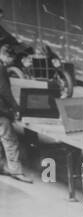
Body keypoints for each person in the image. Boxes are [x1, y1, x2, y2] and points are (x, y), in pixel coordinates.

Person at [0, 44, 30, 182]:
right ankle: (16, 171)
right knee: (10, 140)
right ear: (7, 56)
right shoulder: (1, 68)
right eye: (12, 59)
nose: (12, 63)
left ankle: (1, 167)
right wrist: (16, 107)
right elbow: (4, 91)